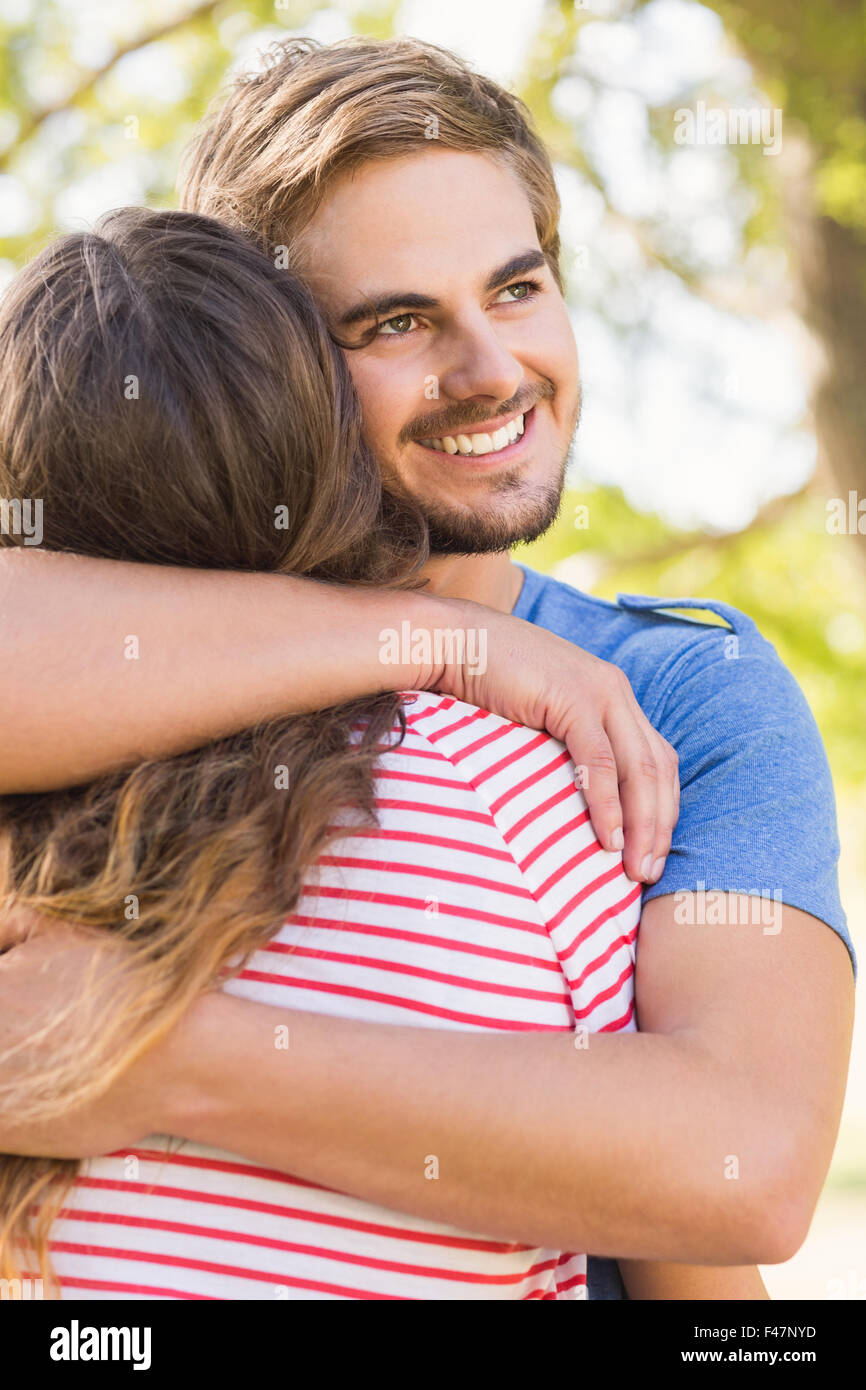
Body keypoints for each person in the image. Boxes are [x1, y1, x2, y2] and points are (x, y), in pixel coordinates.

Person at [0, 38, 853, 1299]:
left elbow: (737, 1166)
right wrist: (439, 642)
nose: (493, 371)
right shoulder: (115, 655)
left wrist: (155, 1054)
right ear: (270, 355)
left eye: (517, 288)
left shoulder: (672, 694)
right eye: (396, 321)